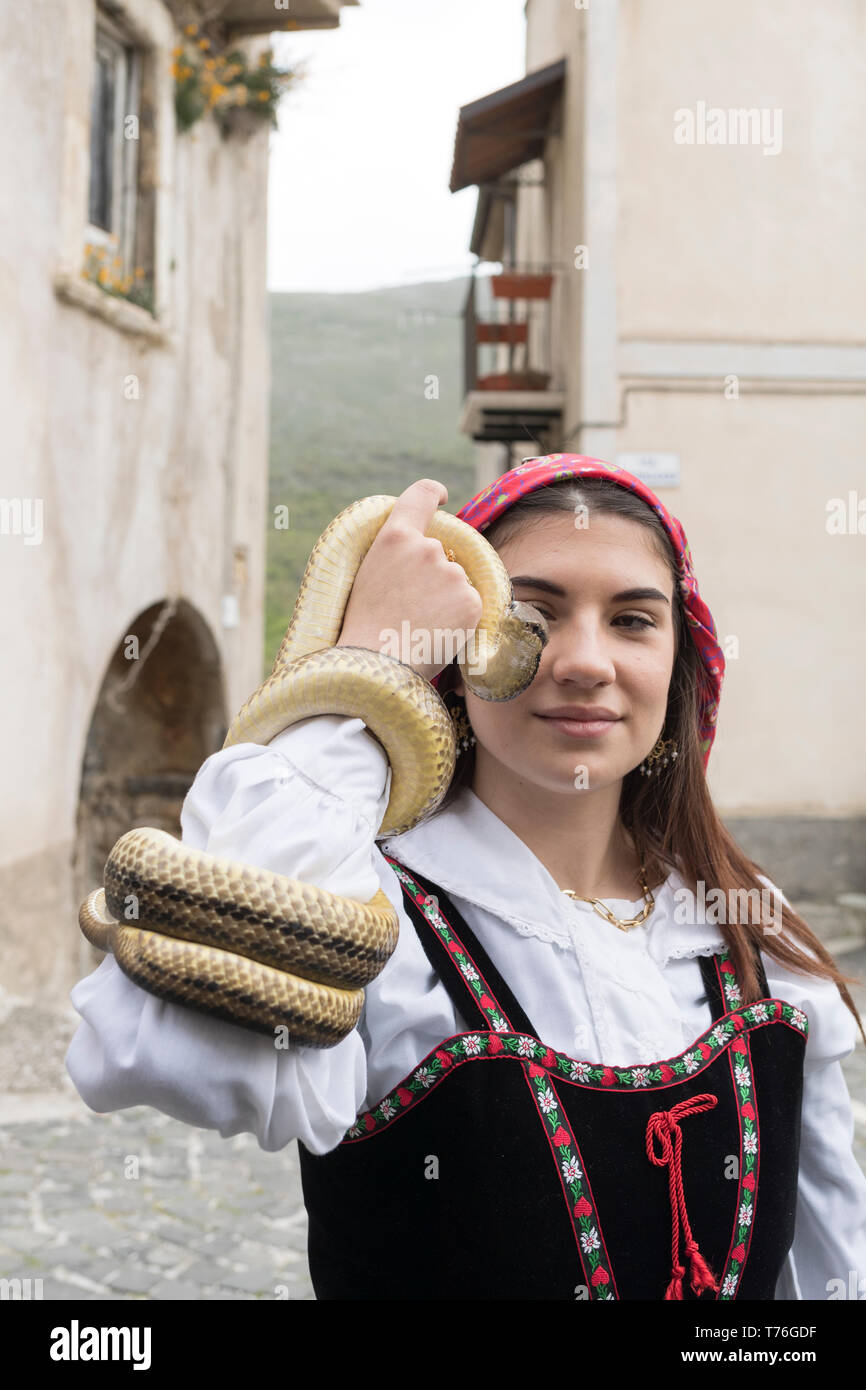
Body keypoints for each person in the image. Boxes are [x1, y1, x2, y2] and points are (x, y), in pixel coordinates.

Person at [65, 454, 866, 1301]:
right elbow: (153, 1049)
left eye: (633, 620)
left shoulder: (748, 931)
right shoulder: (374, 917)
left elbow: (828, 1276)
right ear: (458, 655)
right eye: (532, 616)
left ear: (679, 665)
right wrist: (373, 661)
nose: (587, 661)